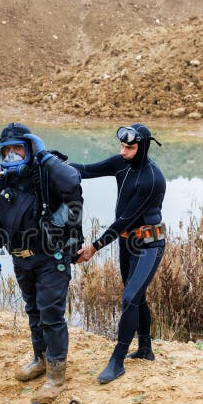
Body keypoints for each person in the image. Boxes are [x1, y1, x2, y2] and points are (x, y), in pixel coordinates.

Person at [0, 123, 83, 402]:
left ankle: (56, 376)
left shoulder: (47, 173)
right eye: (6, 151)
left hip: (51, 257)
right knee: (33, 311)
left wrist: (43, 154)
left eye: (18, 149)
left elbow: (73, 183)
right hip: (20, 259)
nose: (11, 156)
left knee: (50, 314)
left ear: (30, 149)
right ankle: (41, 359)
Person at [72, 123, 166, 384]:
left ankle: (117, 360)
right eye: (122, 146)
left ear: (143, 147)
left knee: (129, 298)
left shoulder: (152, 179)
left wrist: (94, 247)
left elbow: (125, 219)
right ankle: (145, 349)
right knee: (137, 296)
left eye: (130, 148)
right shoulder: (120, 162)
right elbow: (86, 170)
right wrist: (53, 163)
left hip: (148, 244)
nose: (124, 152)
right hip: (126, 243)